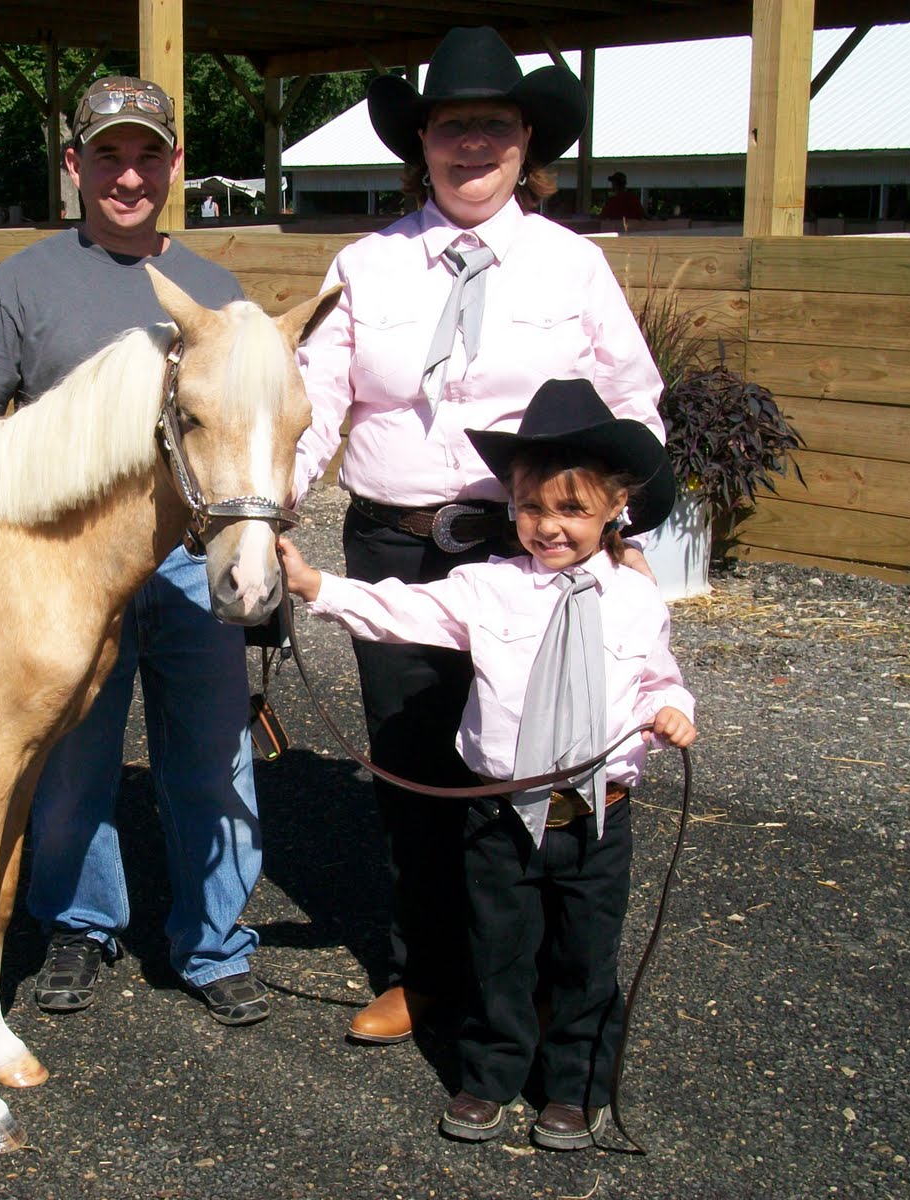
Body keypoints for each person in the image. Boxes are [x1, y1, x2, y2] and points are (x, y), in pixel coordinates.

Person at [0, 76, 271, 1025]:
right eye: (107, 156)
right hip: (53, 569)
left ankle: (214, 943)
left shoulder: (220, 296)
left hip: (189, 557)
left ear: (174, 163)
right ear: (74, 165)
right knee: (70, 757)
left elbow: (247, 433)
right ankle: (83, 925)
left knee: (212, 752)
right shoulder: (23, 284)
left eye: (146, 156)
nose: (127, 176)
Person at [291, 26, 666, 1047]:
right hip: (399, 548)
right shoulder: (362, 265)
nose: (472, 147)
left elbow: (634, 400)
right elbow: (317, 403)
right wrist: (267, 511)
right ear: (421, 142)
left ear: (524, 142)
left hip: (532, 551)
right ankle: (427, 974)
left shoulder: (572, 265)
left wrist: (626, 527)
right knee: (413, 768)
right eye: (452, 127)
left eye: (492, 127)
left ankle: (538, 983)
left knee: (538, 771)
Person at [281, 378, 697, 1148]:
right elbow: (401, 607)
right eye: (533, 507)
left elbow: (659, 677)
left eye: (572, 510)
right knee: (499, 949)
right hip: (499, 813)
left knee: (585, 958)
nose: (549, 526)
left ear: (616, 510)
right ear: (512, 505)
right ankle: (491, 1077)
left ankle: (573, 1088)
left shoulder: (639, 601)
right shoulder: (488, 588)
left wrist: (676, 713)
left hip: (597, 817)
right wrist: (316, 587)